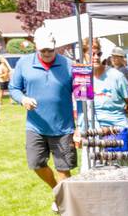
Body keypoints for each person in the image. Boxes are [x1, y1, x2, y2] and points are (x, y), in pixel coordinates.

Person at [8, 26, 77, 191]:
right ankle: (55, 189)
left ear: (55, 46)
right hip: (35, 126)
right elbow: (13, 88)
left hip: (63, 127)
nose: (46, 53)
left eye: (50, 50)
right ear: (36, 46)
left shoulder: (69, 65)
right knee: (36, 163)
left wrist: (79, 126)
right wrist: (22, 99)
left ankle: (63, 202)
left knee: (63, 168)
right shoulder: (24, 63)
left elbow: (82, 96)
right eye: (43, 50)